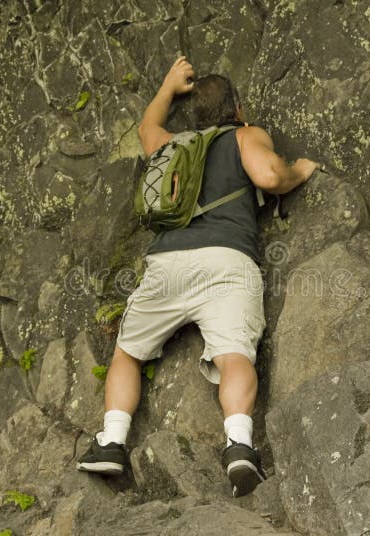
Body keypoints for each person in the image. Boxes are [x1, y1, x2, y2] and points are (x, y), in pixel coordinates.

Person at [77, 56, 320, 497]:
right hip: (228, 261)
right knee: (234, 356)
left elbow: (146, 129)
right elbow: (269, 174)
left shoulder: (173, 146)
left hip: (168, 263)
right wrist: (300, 170)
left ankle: (111, 441)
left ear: (195, 117)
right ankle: (240, 446)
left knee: (128, 354)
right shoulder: (243, 135)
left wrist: (169, 85)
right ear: (238, 109)